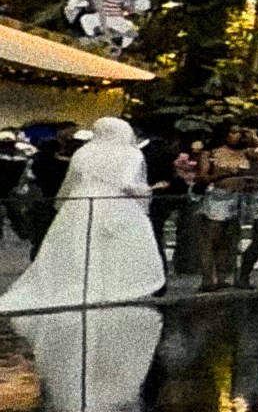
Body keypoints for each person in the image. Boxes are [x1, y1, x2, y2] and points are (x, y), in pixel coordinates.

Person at [1, 101, 165, 313]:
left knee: (79, 247)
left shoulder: (83, 153)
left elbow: (70, 184)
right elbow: (128, 185)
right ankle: (114, 287)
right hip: (115, 204)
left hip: (79, 204)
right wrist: (149, 189)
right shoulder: (130, 154)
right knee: (113, 247)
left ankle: (79, 285)